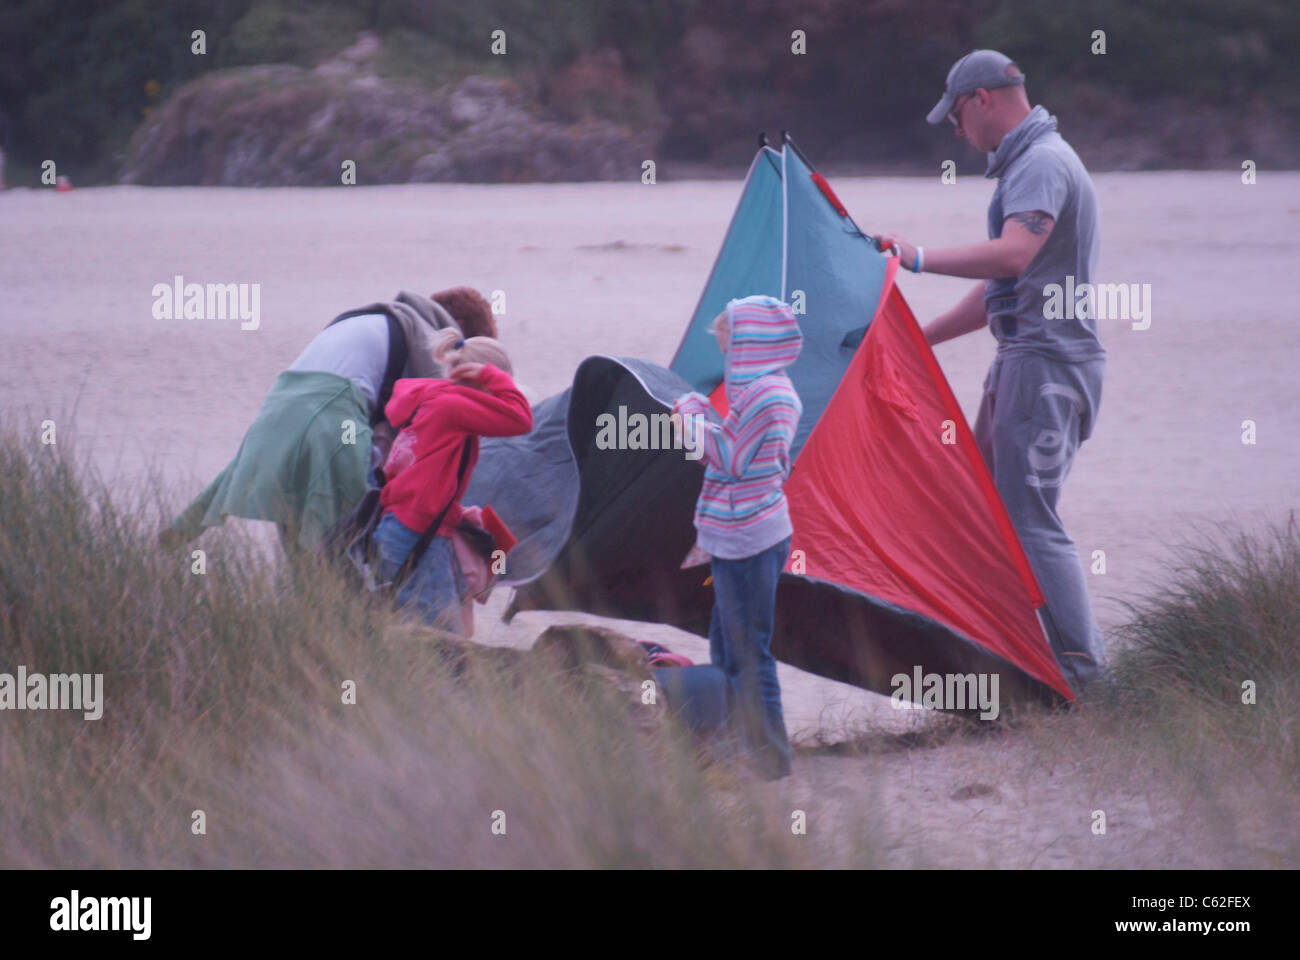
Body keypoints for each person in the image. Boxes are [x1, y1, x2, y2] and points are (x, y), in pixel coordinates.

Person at [872, 49, 1107, 693]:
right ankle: (1017, 661)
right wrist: (919, 341)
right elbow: (1005, 287)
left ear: (981, 100)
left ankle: (1087, 682)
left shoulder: (1039, 164)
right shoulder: (1032, 163)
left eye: (954, 116)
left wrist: (915, 258)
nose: (955, 132)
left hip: (1047, 365)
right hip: (1027, 358)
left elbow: (1012, 255)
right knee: (987, 508)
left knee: (1029, 520)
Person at [161, 287, 498, 556]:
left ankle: (175, 540)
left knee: (301, 541)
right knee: (345, 552)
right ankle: (355, 628)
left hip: (276, 414)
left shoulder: (374, 320)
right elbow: (424, 444)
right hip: (333, 423)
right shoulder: (431, 340)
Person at [672, 295, 803, 780]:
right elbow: (734, 452)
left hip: (751, 538)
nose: (728, 357)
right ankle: (736, 745)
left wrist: (689, 412)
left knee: (750, 652)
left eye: (731, 346)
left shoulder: (771, 397)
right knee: (727, 648)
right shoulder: (758, 392)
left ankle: (770, 759)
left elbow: (728, 458)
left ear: (753, 345)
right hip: (736, 535)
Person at [374, 329, 532, 634]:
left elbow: (419, 475)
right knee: (446, 638)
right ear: (481, 384)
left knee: (412, 626)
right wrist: (495, 379)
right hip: (417, 534)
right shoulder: (455, 408)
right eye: (496, 392)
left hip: (398, 527)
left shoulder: (433, 400)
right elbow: (520, 419)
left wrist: (455, 515)